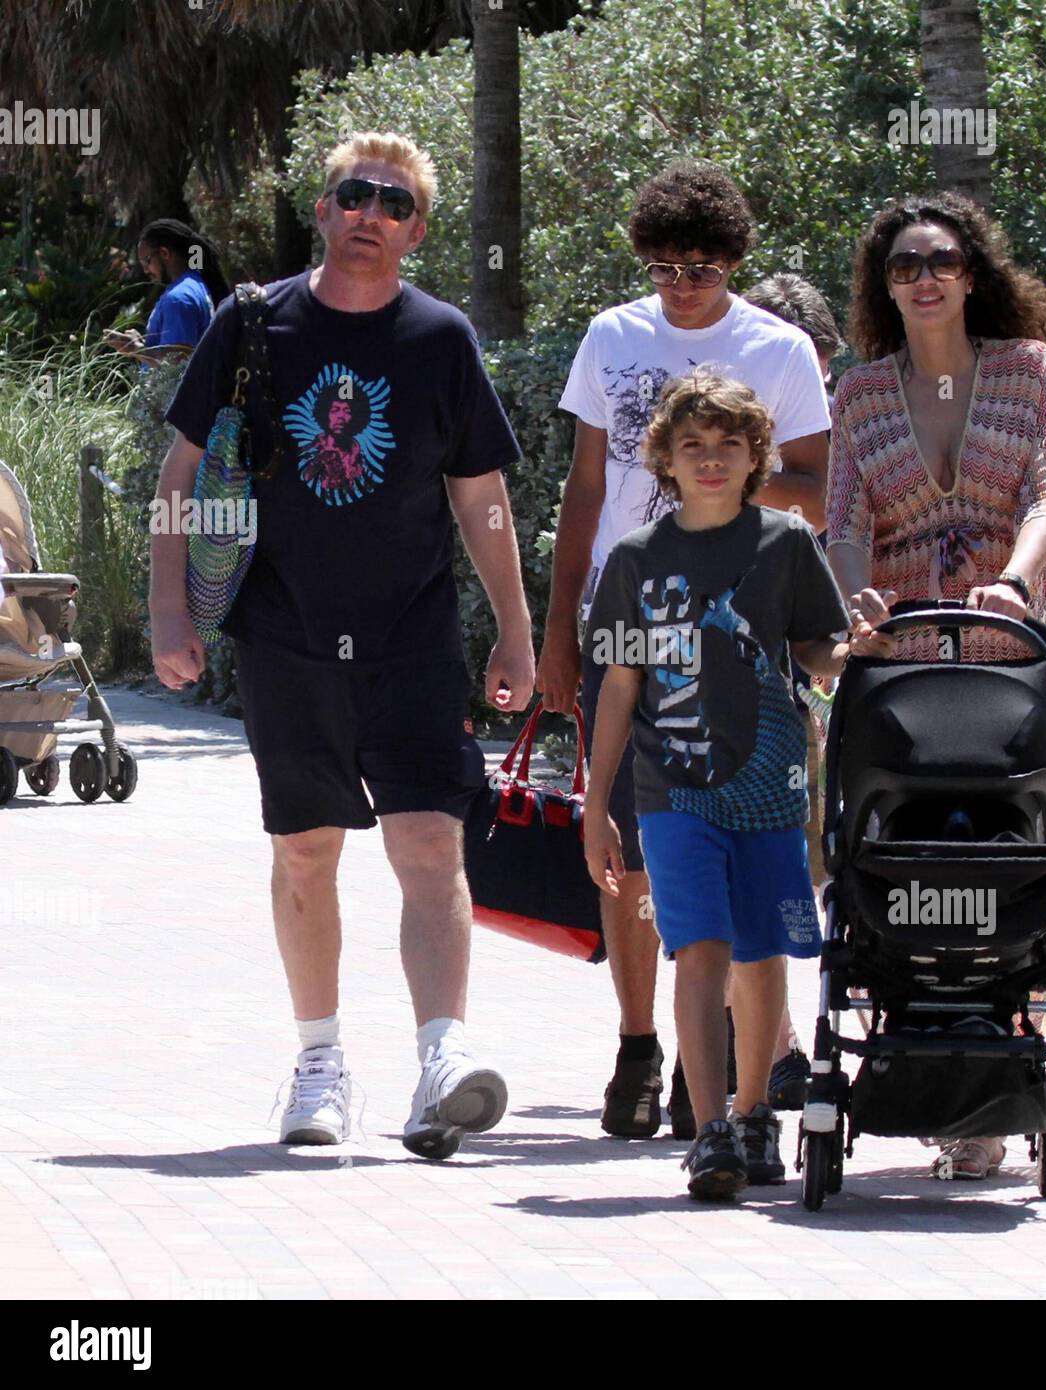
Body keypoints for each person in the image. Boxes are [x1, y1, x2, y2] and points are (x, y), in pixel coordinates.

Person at [149, 132, 535, 1161]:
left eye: (393, 202)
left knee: (428, 843)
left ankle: (442, 1060)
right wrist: (169, 612)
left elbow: (482, 496)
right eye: (352, 194)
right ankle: (319, 1063)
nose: (371, 212)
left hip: (412, 635)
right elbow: (181, 471)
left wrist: (515, 628)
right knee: (306, 850)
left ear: (416, 229)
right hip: (286, 633)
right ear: (322, 209)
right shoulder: (252, 320)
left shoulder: (441, 337)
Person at [825, 190, 1046, 1179]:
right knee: (908, 845)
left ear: (972, 274)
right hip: (904, 658)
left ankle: (996, 1079)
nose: (924, 277)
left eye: (941, 260)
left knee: (1014, 849)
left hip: (1007, 647)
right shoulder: (861, 393)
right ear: (886, 283)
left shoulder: (1024, 370)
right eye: (904, 263)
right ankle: (922, 1055)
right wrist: (854, 601)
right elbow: (840, 523)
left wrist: (1015, 574)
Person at [537, 160, 831, 1141]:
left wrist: (724, 476)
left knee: (740, 842)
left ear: (737, 258)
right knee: (627, 848)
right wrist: (556, 632)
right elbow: (584, 489)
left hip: (745, 627)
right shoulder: (612, 337)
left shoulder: (781, 349)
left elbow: (820, 491)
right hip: (630, 610)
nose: (682, 284)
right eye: (663, 265)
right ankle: (635, 1043)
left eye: (701, 266)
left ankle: (727, 1080)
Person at [582, 373, 850, 1199]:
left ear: (754, 458)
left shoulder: (785, 543)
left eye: (728, 447)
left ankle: (753, 1111)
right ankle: (707, 1135)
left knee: (762, 952)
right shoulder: (634, 561)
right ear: (663, 457)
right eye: (691, 446)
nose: (709, 461)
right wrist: (597, 805)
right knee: (698, 947)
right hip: (672, 793)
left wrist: (852, 655)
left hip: (770, 787)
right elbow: (620, 686)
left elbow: (817, 649)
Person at [742, 272, 847, 1109]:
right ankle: (763, 1049)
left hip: (825, 663)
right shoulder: (709, 426)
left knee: (809, 861)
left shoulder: (843, 425)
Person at [105, 219, 229, 367]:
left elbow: (176, 362)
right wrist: (144, 345)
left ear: (164, 253)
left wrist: (134, 348)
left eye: (146, 261)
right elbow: (184, 349)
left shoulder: (178, 298)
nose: (145, 270)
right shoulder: (195, 284)